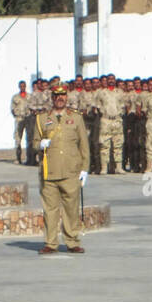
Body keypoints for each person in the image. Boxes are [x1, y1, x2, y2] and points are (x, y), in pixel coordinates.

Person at [34, 85, 90, 254]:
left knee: (71, 209)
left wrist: (85, 169)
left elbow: (84, 145)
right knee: (50, 210)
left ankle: (72, 242)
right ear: (52, 98)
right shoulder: (42, 118)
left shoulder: (77, 118)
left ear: (67, 97)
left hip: (70, 170)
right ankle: (51, 243)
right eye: (57, 95)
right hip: (49, 171)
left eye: (63, 95)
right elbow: (34, 143)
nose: (60, 98)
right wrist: (40, 144)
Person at [11, 80, 32, 165]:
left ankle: (29, 158)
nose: (22, 87)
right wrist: (16, 115)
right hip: (19, 119)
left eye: (24, 86)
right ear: (19, 87)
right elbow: (12, 108)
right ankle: (18, 158)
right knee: (18, 138)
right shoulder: (15, 97)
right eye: (21, 86)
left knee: (29, 138)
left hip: (28, 119)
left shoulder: (29, 96)